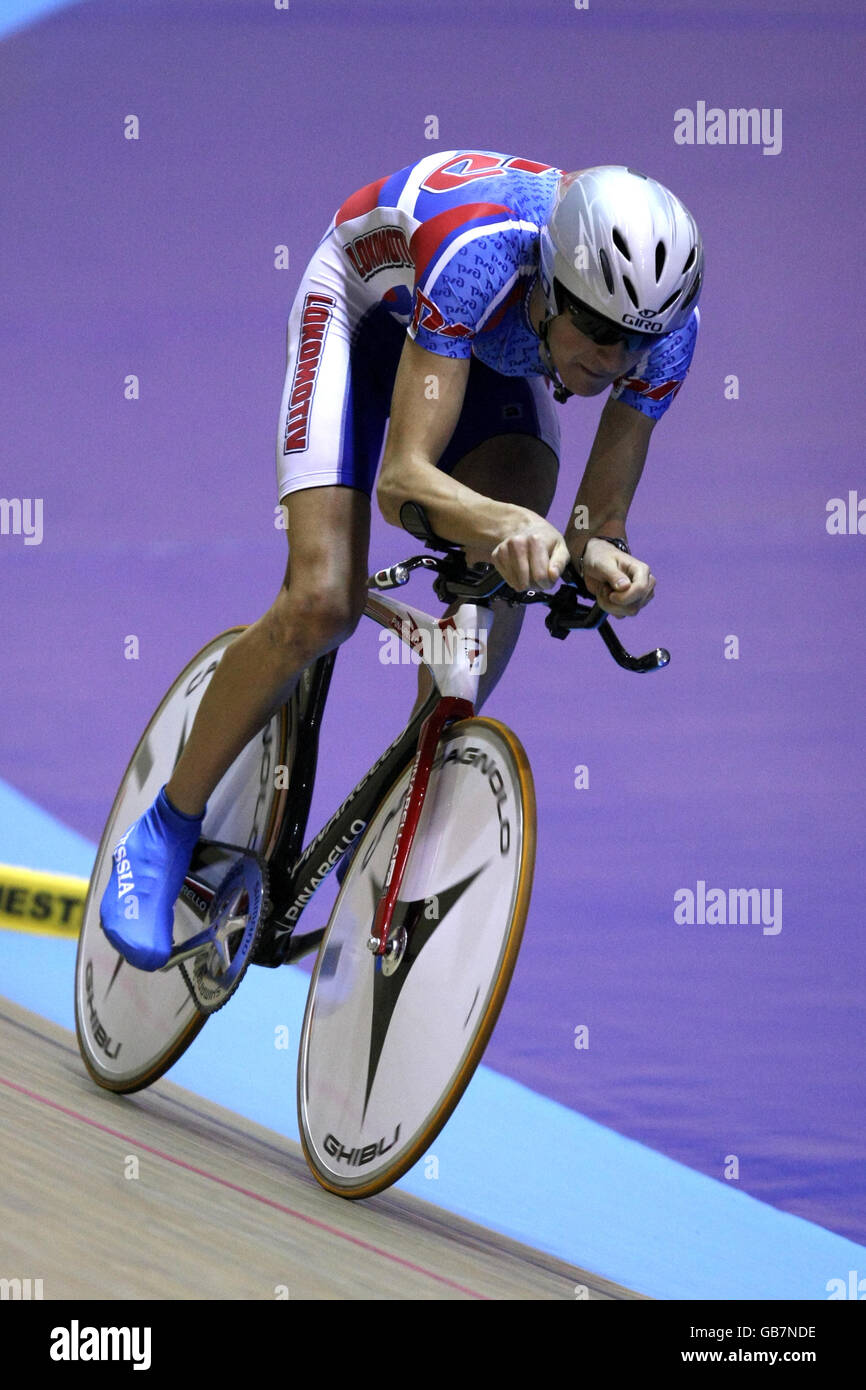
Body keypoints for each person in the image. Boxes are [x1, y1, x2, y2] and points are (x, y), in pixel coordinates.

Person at [100, 151, 703, 970]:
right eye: (596, 334)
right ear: (552, 289)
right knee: (322, 602)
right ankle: (167, 824)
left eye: (636, 343)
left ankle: (388, 831)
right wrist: (506, 523)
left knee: (506, 576)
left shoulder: (664, 336)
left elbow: (599, 518)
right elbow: (400, 484)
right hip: (361, 311)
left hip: (481, 348)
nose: (613, 362)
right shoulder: (480, 254)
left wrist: (610, 561)